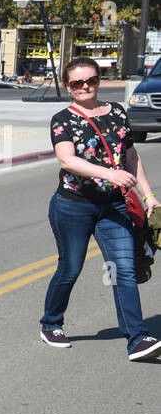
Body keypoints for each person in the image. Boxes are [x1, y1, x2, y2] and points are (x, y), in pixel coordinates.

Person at [40, 56, 161, 360]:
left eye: (90, 80)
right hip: (72, 205)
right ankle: (51, 323)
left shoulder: (118, 113)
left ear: (99, 80)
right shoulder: (63, 119)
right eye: (77, 83)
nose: (85, 87)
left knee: (124, 271)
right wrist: (109, 173)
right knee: (70, 268)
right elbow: (67, 160)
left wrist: (148, 196)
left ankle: (137, 339)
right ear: (68, 86)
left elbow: (130, 156)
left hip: (114, 206)